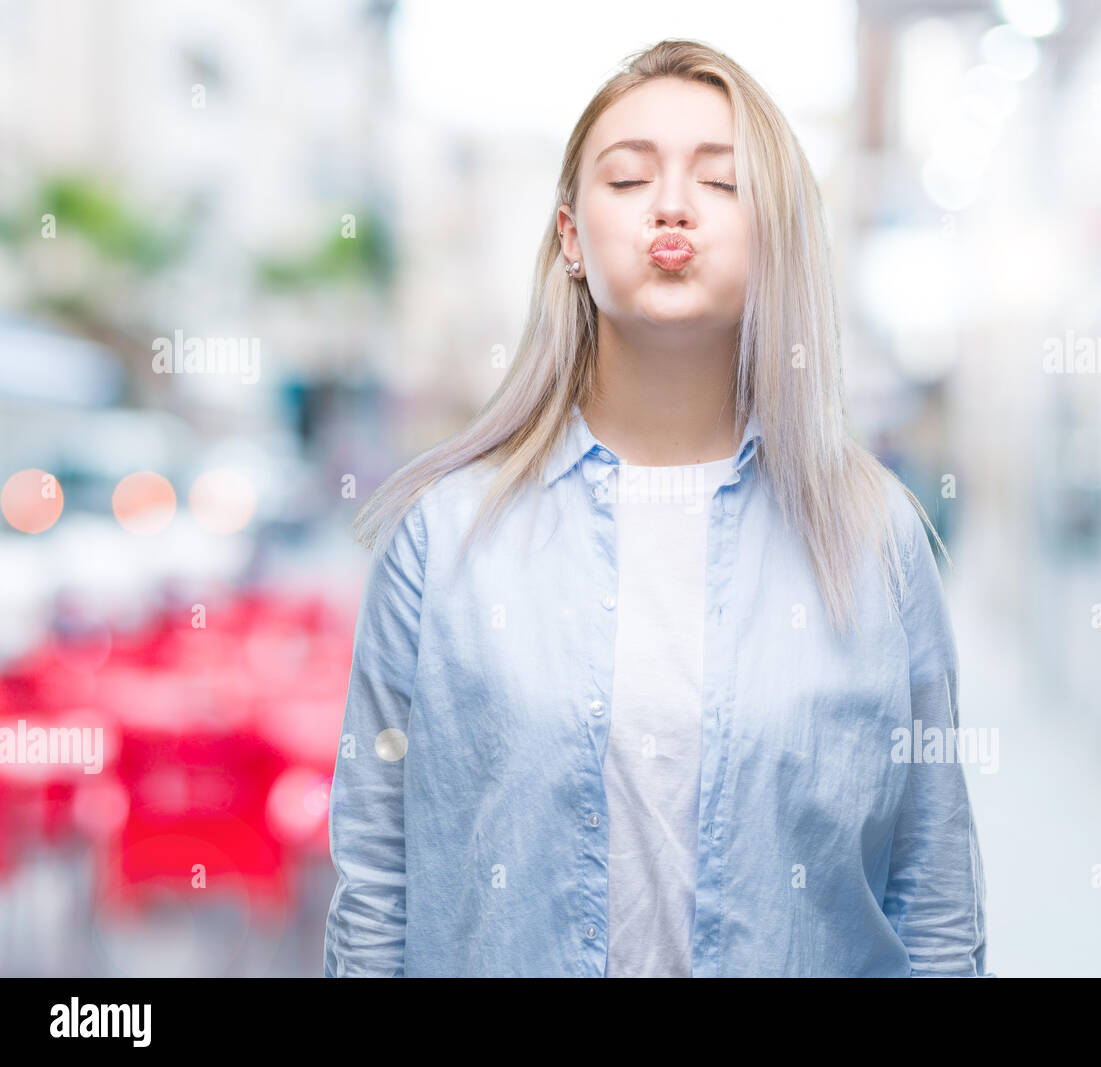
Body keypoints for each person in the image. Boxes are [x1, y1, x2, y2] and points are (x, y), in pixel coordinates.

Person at [324, 38, 991, 978]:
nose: (671, 205)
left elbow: (935, 888)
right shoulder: (441, 539)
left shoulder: (875, 535)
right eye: (630, 177)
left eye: (721, 182)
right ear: (569, 236)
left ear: (776, 234)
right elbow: (376, 884)